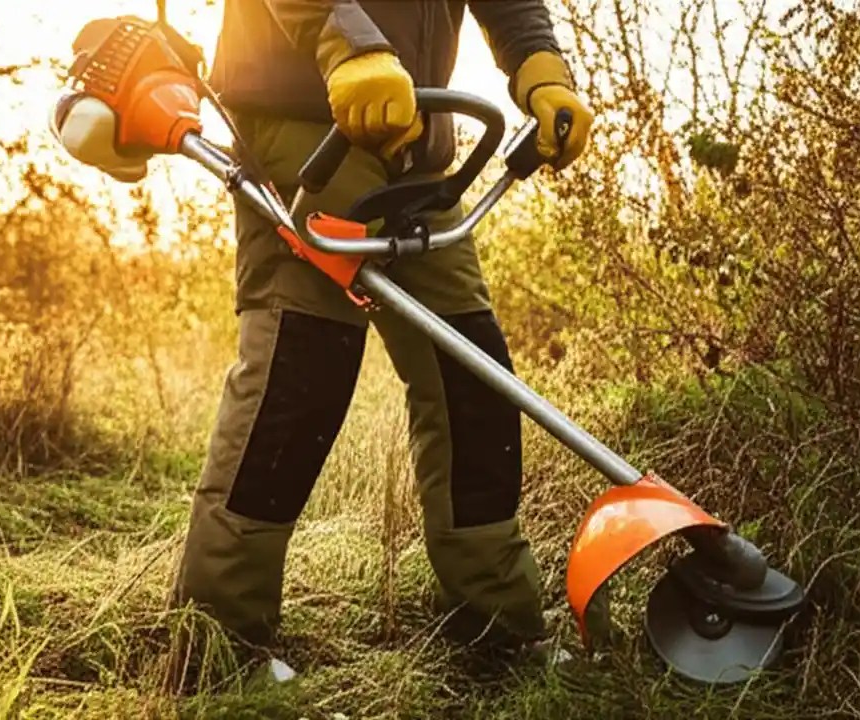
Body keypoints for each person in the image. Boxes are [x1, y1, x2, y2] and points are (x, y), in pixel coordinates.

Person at [60, 0, 595, 677]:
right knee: (300, 372)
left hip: (418, 142)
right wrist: (350, 45)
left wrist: (540, 66)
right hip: (307, 123)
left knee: (473, 377)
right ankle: (220, 649)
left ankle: (499, 629)